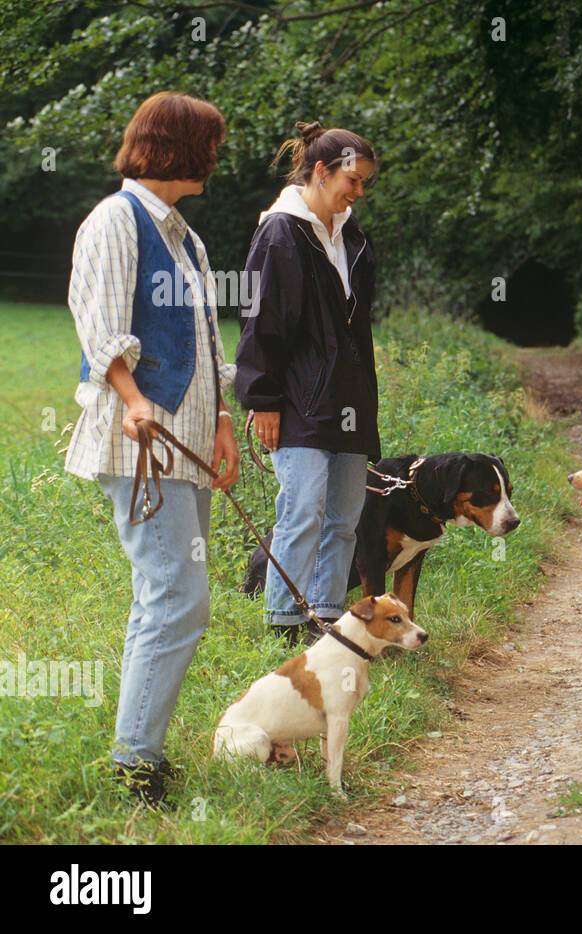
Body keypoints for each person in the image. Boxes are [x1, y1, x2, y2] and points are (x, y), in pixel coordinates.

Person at [65, 91, 238, 805]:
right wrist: (135, 401)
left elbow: (205, 334)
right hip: (139, 441)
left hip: (189, 442)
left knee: (164, 599)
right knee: (179, 601)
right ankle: (136, 766)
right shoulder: (116, 220)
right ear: (178, 146)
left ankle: (139, 753)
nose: (217, 158)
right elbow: (96, 321)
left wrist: (223, 421)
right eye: (211, 144)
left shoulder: (185, 236)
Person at [235, 121, 380, 644]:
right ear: (321, 171)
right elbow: (261, 320)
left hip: (351, 399)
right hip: (296, 399)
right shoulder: (280, 231)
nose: (358, 194)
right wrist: (262, 398)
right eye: (353, 180)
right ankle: (283, 624)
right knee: (302, 513)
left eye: (365, 183)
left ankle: (323, 619)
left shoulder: (352, 238)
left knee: (344, 518)